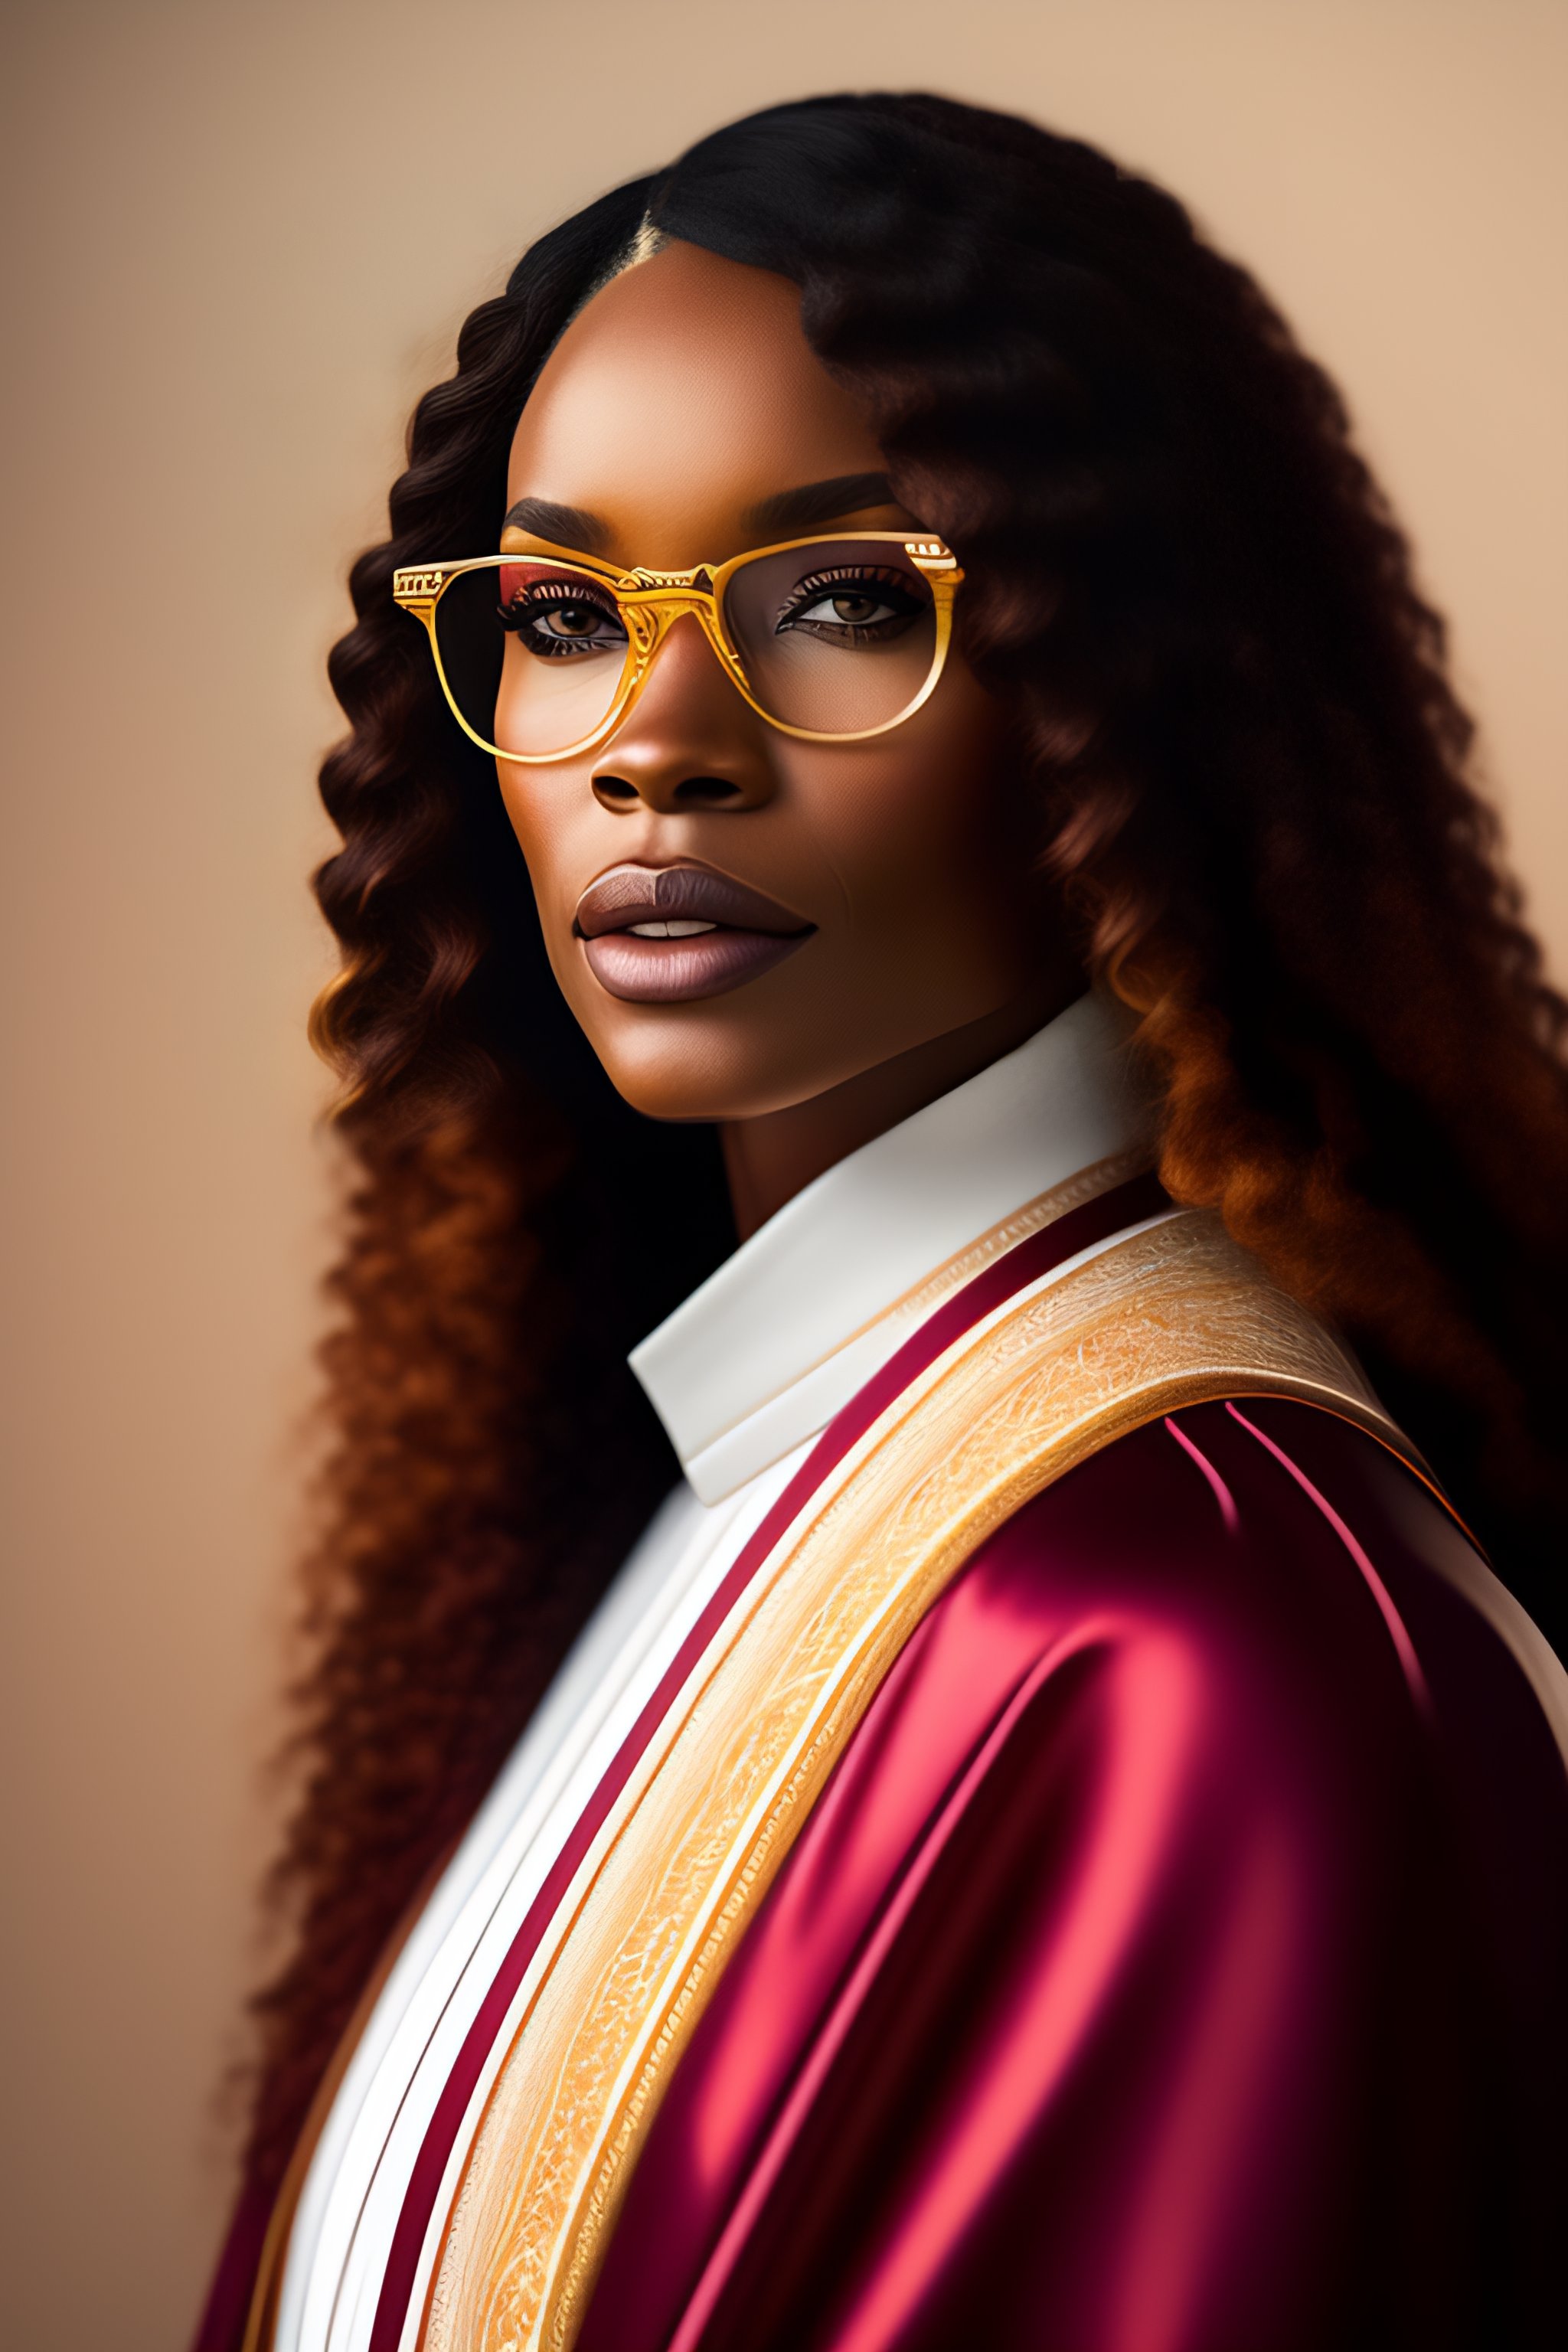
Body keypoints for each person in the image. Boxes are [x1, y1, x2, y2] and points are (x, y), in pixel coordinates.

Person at [195, 93, 1568, 2352]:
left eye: (842, 601)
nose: (656, 739)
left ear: (1127, 693)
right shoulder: (668, 1498)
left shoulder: (1204, 1656)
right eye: (562, 612)